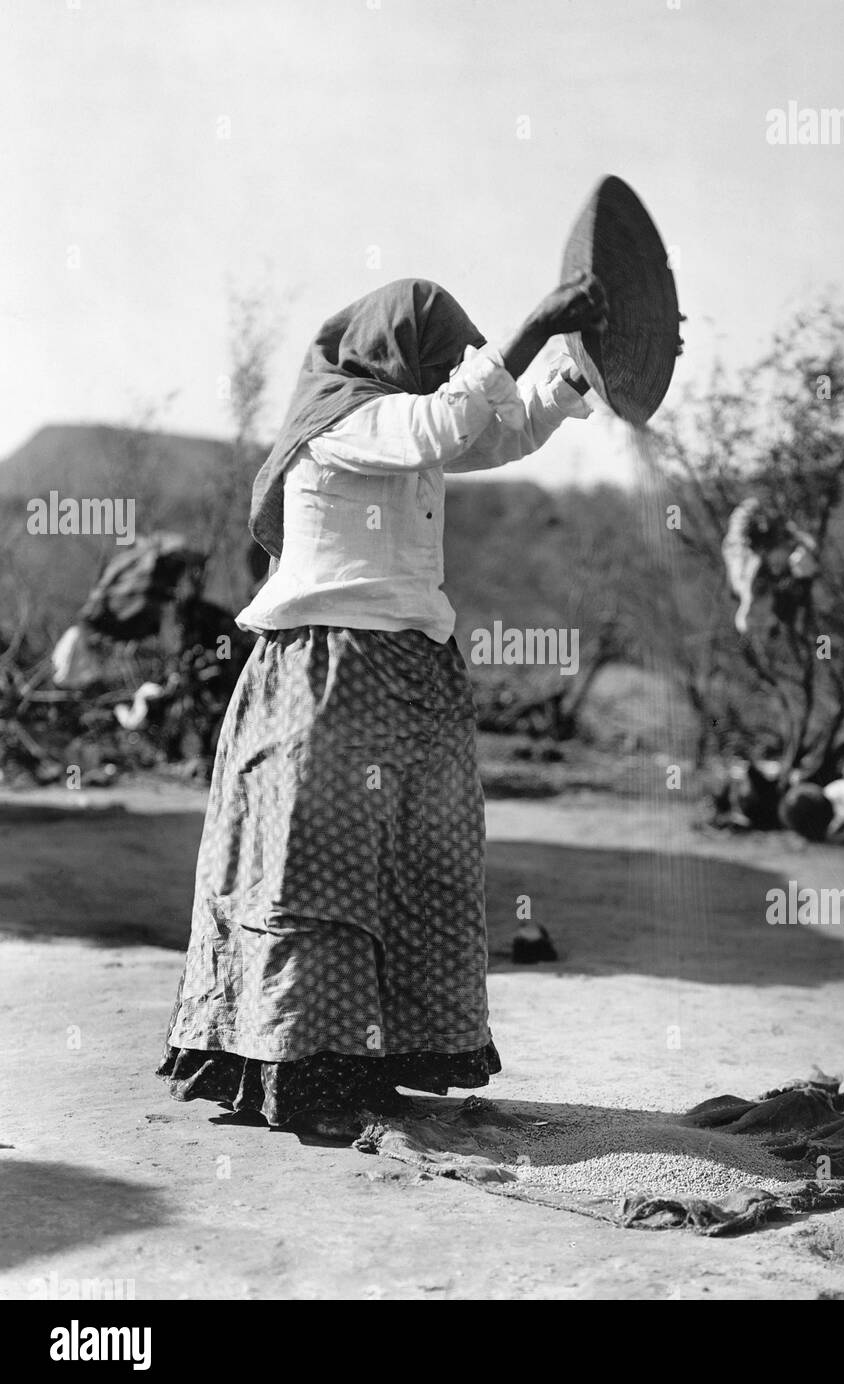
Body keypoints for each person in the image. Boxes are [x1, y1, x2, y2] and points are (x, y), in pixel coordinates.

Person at [158, 274, 606, 1133]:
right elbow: (447, 420)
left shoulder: (408, 434)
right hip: (329, 674)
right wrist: (537, 321)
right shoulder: (344, 427)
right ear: (394, 357)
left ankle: (372, 1059)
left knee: (406, 870)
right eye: (440, 358)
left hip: (410, 674)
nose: (451, 375)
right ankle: (304, 1075)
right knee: (320, 874)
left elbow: (494, 435)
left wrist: (577, 367)